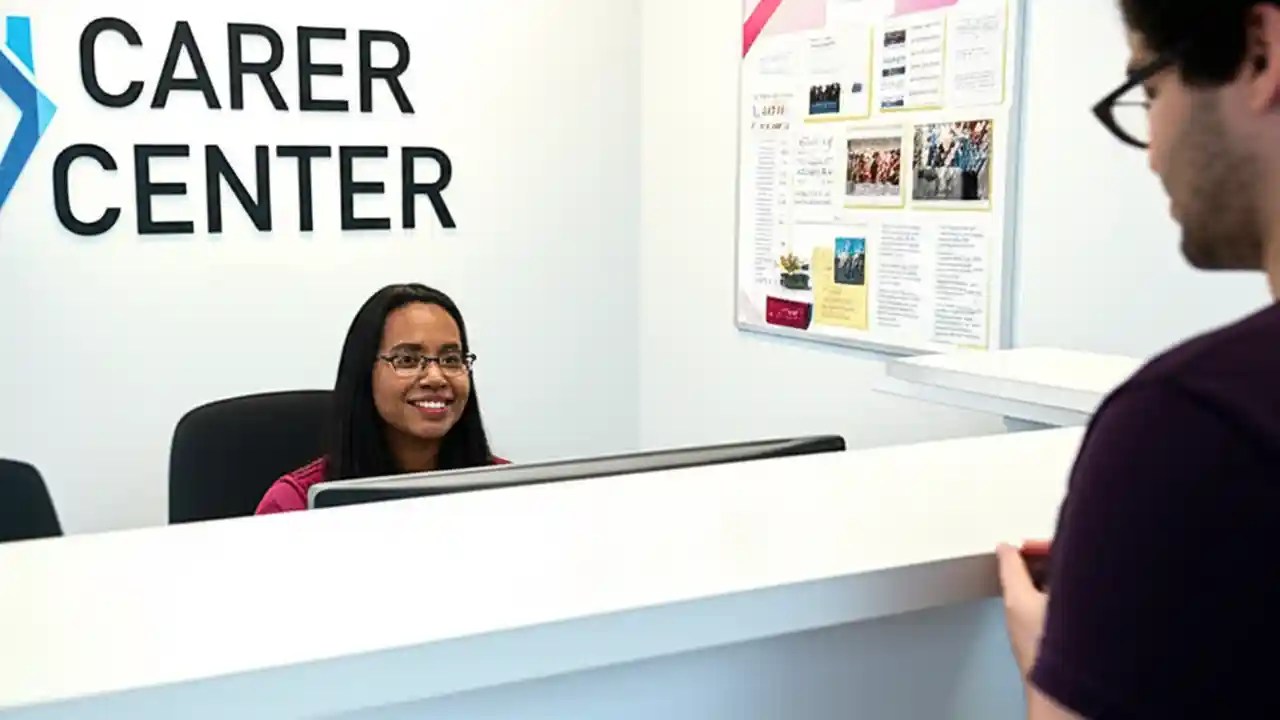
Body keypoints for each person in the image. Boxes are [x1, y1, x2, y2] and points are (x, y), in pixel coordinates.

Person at [996, 2, 1280, 718]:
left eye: (1151, 92)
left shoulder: (1189, 426)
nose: (1151, 152)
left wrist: (1049, 661)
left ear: (1259, 54)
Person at [256, 283, 506, 514]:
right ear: (364, 371)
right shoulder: (293, 505)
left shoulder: (512, 489)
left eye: (451, 360)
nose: (435, 377)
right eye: (407, 360)